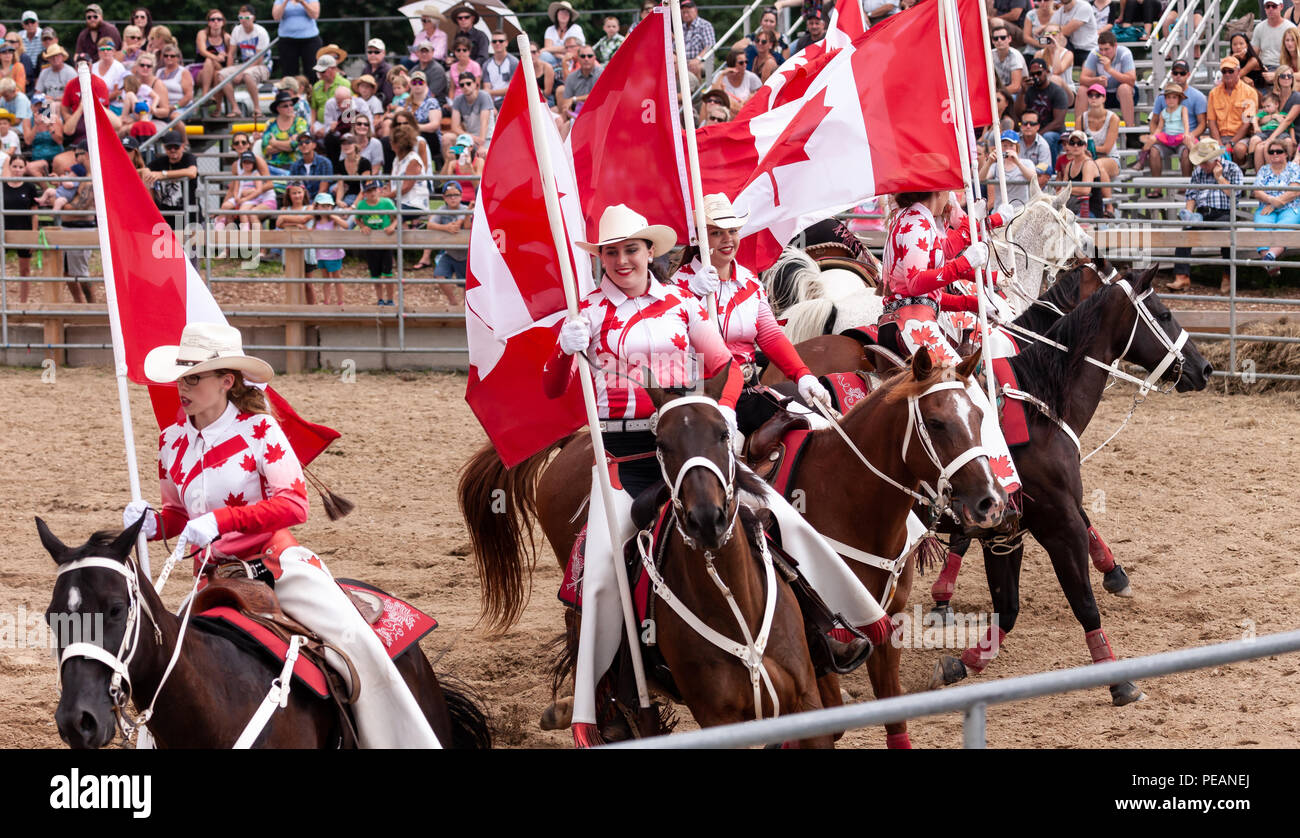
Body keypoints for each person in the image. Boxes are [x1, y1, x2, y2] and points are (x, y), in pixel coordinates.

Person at [546, 203, 893, 747]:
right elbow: (551, 389)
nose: (621, 260)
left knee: (776, 517)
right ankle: (606, 697)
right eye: (610, 252)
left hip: (690, 443)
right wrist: (561, 354)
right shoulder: (587, 313)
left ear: (649, 252)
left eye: (630, 249)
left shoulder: (682, 302)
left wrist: (726, 410)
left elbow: (722, 366)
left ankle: (827, 631)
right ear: (602, 259)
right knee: (600, 570)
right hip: (627, 456)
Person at [125, 322, 441, 748]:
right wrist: (150, 524)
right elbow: (180, 517)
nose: (184, 386)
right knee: (164, 668)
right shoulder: (171, 443)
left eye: (195, 376)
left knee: (357, 646)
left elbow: (295, 505)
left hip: (277, 569)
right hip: (212, 581)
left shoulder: (261, 431)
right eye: (183, 376)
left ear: (226, 381)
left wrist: (223, 520)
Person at [1169, 138, 1239, 293]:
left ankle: (1228, 276)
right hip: (1202, 214)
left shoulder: (1232, 169)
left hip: (1224, 213)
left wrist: (1219, 178)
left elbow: (1235, 195)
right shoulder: (1198, 172)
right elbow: (1191, 195)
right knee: (1185, 234)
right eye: (1201, 162)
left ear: (1215, 159)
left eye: (1205, 162)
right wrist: (1188, 214)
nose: (1202, 166)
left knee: (1227, 236)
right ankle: (1181, 276)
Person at [1252, 139, 1300, 274]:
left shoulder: (1294, 168)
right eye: (1271, 152)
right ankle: (1270, 262)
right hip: (1266, 207)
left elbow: (1295, 190)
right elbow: (1257, 191)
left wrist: (1274, 204)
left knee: (1284, 227)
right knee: (1261, 226)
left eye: (1278, 151)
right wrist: (1272, 200)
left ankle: (1268, 258)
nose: (1274, 154)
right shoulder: (1264, 169)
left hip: (1291, 207)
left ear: (1286, 154)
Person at [417, 181, 467, 305]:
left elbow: (463, 223)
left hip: (466, 254)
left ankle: (466, 309)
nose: (453, 198)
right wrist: (445, 228)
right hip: (450, 252)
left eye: (456, 194)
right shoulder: (442, 209)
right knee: (439, 275)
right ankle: (453, 302)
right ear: (444, 197)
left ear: (461, 196)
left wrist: (457, 224)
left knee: (467, 284)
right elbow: (429, 224)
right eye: (449, 195)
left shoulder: (466, 209)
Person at [220, 6, 272, 118]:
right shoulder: (237, 30)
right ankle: (235, 108)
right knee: (222, 75)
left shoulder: (261, 32)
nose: (243, 20)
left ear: (253, 18)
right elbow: (231, 54)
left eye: (247, 17)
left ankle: (257, 109)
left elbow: (259, 59)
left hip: (263, 65)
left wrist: (240, 73)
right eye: (240, 17)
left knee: (248, 75)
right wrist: (229, 72)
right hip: (246, 64)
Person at [1208, 56, 1260, 168]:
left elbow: (1247, 123)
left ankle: (1238, 181)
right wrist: (1219, 143)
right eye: (1224, 71)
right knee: (1203, 150)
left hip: (1240, 137)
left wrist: (1231, 143)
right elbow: (1211, 122)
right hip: (1219, 137)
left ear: (1238, 71)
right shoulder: (1213, 93)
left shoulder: (1250, 92)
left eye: (1231, 71)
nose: (1227, 74)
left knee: (1239, 150)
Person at [1077, 30, 1136, 129]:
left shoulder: (1124, 53)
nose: (1103, 53)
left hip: (1122, 94)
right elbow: (1082, 79)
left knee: (1124, 88)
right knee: (1082, 90)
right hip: (1102, 94)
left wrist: (1109, 70)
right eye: (1101, 49)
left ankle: (1129, 131)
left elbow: (1131, 80)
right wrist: (1096, 80)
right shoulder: (1095, 53)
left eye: (1107, 49)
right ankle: (1079, 131)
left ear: (1115, 46)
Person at [1016, 57, 1070, 159]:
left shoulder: (1057, 91)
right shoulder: (1027, 90)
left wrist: (1037, 134)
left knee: (1047, 137)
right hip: (1030, 129)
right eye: (1032, 74)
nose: (1036, 76)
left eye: (1039, 73)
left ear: (1047, 72)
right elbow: (1019, 114)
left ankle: (1051, 170)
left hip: (1054, 134)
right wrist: (1022, 92)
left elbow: (1058, 122)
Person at [3, 152, 38, 304]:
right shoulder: (2, 186)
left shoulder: (30, 187)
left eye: (20, 167)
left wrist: (34, 235)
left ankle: (23, 304)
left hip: (24, 231)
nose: (17, 169)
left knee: (24, 270)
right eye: (14, 166)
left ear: (25, 169)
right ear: (9, 167)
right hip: (4, 232)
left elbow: (34, 214)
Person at [355, 179, 397, 304]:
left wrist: (393, 226)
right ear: (364, 193)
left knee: (388, 273)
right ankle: (380, 299)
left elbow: (397, 216)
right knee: (375, 274)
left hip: (385, 242)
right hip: (371, 243)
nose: (372, 193)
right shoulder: (361, 205)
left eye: (374, 189)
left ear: (379, 190)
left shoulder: (387, 203)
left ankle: (390, 299)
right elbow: (357, 219)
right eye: (368, 191)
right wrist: (363, 226)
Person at [144, 131, 198, 226]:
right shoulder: (161, 161)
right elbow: (144, 170)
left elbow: (192, 172)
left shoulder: (188, 158)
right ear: (164, 148)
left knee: (186, 239)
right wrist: (148, 173)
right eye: (169, 147)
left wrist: (163, 174)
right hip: (166, 214)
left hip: (187, 214)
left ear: (182, 146)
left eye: (176, 147)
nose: (172, 150)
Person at [1136, 82, 1190, 175]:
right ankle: (1142, 160)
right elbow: (1159, 127)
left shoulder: (1182, 109)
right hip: (1168, 137)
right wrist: (1155, 136)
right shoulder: (1163, 112)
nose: (1171, 100)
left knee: (1189, 143)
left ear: (1179, 99)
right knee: (1151, 139)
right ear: (1165, 99)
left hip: (1179, 137)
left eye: (1174, 97)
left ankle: (1200, 160)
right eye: (1168, 97)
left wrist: (1186, 133)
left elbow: (1186, 123)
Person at [1080, 83, 1121, 196]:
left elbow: (1107, 149)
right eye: (1090, 95)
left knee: (1098, 165)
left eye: (1097, 95)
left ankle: (1109, 206)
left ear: (1104, 98)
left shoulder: (1113, 118)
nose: (1093, 98)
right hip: (1087, 158)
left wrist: (1087, 148)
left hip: (1110, 158)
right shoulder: (1081, 118)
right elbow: (1076, 142)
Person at [982, 130, 1039, 206]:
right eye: (1004, 146)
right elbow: (981, 179)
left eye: (1011, 146)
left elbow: (1033, 178)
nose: (1007, 149)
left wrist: (1017, 163)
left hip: (1020, 211)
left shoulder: (1027, 163)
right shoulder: (995, 166)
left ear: (1017, 147)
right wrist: (989, 162)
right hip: (1000, 211)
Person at [272, 0, 323, 83]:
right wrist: (285, 2)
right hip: (287, 40)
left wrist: (302, 2)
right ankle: (291, 94)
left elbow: (315, 15)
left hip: (310, 39)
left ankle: (313, 93)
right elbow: (276, 17)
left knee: (312, 71)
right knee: (289, 73)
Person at [1057, 129, 1104, 217]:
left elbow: (1085, 190)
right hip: (1073, 209)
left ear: (1085, 146)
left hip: (1091, 211)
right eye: (1072, 143)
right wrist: (1063, 190)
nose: (1075, 146)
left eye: (1079, 143)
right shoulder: (1069, 165)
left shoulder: (1088, 164)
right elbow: (1062, 188)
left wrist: (1066, 190)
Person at [262, 89, 309, 171]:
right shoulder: (270, 123)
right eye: (285, 106)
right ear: (278, 109)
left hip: (294, 166)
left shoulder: (300, 122)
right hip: (272, 166)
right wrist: (288, 143)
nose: (289, 108)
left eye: (291, 105)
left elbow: (298, 145)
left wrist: (274, 143)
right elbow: (266, 148)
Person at [557, 44, 601, 127]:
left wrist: (574, 99)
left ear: (594, 58)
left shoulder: (602, 74)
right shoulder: (571, 77)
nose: (586, 59)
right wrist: (568, 111)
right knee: (562, 124)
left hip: (598, 113)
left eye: (589, 56)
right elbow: (567, 102)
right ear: (578, 59)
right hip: (576, 116)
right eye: (583, 56)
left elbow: (598, 96)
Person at [195, 8, 232, 107]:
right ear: (208, 22)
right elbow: (203, 51)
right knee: (210, 62)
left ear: (223, 22)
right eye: (213, 19)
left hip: (220, 67)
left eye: (219, 19)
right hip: (201, 69)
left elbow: (231, 56)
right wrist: (217, 57)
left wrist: (224, 55)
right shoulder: (202, 34)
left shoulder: (227, 38)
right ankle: (216, 106)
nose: (216, 22)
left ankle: (206, 96)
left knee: (218, 72)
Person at [310, 46, 350, 126]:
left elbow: (350, 109)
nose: (320, 73)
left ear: (333, 69)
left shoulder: (345, 84)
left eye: (323, 71)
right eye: (318, 70)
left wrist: (341, 126)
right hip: (320, 125)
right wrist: (312, 125)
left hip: (340, 125)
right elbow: (314, 108)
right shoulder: (316, 86)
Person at [1253, 0, 1298, 71]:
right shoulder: (1259, 28)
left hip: (1284, 67)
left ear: (1281, 6)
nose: (1270, 9)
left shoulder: (1290, 27)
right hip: (1263, 67)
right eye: (1267, 6)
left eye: (1274, 6)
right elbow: (1254, 54)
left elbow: (1296, 54)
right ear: (1264, 8)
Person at [1051, 0, 1099, 65]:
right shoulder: (1059, 12)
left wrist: (1053, 30)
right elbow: (1048, 32)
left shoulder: (1084, 6)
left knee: (1060, 36)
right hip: (1072, 49)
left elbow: (1066, 31)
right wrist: (1046, 28)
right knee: (1054, 39)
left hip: (1088, 50)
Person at [289, 131, 333, 198]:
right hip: (301, 201)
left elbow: (324, 189)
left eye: (307, 142)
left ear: (314, 145)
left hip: (321, 202)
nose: (304, 145)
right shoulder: (295, 166)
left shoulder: (325, 162)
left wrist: (313, 205)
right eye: (301, 143)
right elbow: (294, 188)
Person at [543, 1, 586, 69]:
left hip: (572, 59)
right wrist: (562, 57)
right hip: (555, 59)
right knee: (543, 56)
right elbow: (547, 50)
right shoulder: (550, 29)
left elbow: (571, 48)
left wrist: (547, 49)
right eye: (561, 13)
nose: (564, 15)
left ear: (570, 16)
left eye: (566, 13)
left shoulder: (576, 28)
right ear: (557, 14)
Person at [680, 0, 716, 78]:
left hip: (703, 61)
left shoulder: (705, 25)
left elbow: (710, 46)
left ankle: (697, 90)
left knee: (694, 67)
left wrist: (698, 59)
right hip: (683, 63)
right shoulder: (680, 28)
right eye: (683, 13)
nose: (685, 15)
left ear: (695, 11)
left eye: (688, 12)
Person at [483, 34, 518, 111]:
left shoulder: (513, 62)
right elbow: (486, 88)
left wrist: (491, 92)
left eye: (501, 41)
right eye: (494, 41)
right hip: (492, 102)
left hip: (510, 101)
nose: (497, 43)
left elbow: (513, 90)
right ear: (491, 44)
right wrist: (491, 106)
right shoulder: (486, 64)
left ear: (506, 43)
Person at [1017, 111, 1054, 184]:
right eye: (1025, 123)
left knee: (1044, 176)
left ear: (1038, 126)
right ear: (1021, 126)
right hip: (1014, 179)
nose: (1028, 126)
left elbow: (1044, 171)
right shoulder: (1012, 140)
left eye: (1032, 124)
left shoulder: (1043, 145)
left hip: (1035, 182)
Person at [991, 25, 1027, 96]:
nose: (999, 41)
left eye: (1003, 38)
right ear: (992, 41)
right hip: (997, 91)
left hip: (1017, 94)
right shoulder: (990, 55)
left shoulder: (1015, 55)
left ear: (1009, 39)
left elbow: (1015, 86)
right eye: (996, 38)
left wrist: (995, 94)